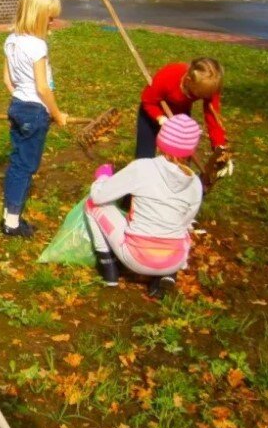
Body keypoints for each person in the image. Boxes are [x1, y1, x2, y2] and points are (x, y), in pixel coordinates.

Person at [84, 115, 203, 299]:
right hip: (175, 258)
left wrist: (102, 178)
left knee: (91, 204)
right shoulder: (195, 183)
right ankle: (165, 275)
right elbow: (185, 222)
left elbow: (98, 196)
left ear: (160, 141)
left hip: (137, 257)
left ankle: (108, 266)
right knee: (183, 226)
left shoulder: (142, 168)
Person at [1, 0, 67, 237]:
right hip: (35, 111)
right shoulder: (37, 46)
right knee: (25, 166)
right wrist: (57, 113)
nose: (52, 22)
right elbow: (42, 87)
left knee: (18, 162)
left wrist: (20, 99)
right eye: (50, 17)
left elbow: (7, 80)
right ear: (38, 16)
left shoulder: (11, 41)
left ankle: (9, 214)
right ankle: (12, 222)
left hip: (17, 106)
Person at [136, 57, 228, 160]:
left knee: (180, 158)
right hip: (151, 113)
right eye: (200, 94)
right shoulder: (168, 76)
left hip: (180, 118)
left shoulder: (211, 86)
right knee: (145, 156)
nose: (204, 96)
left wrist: (219, 146)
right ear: (188, 81)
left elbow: (213, 117)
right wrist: (162, 119)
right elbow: (148, 101)